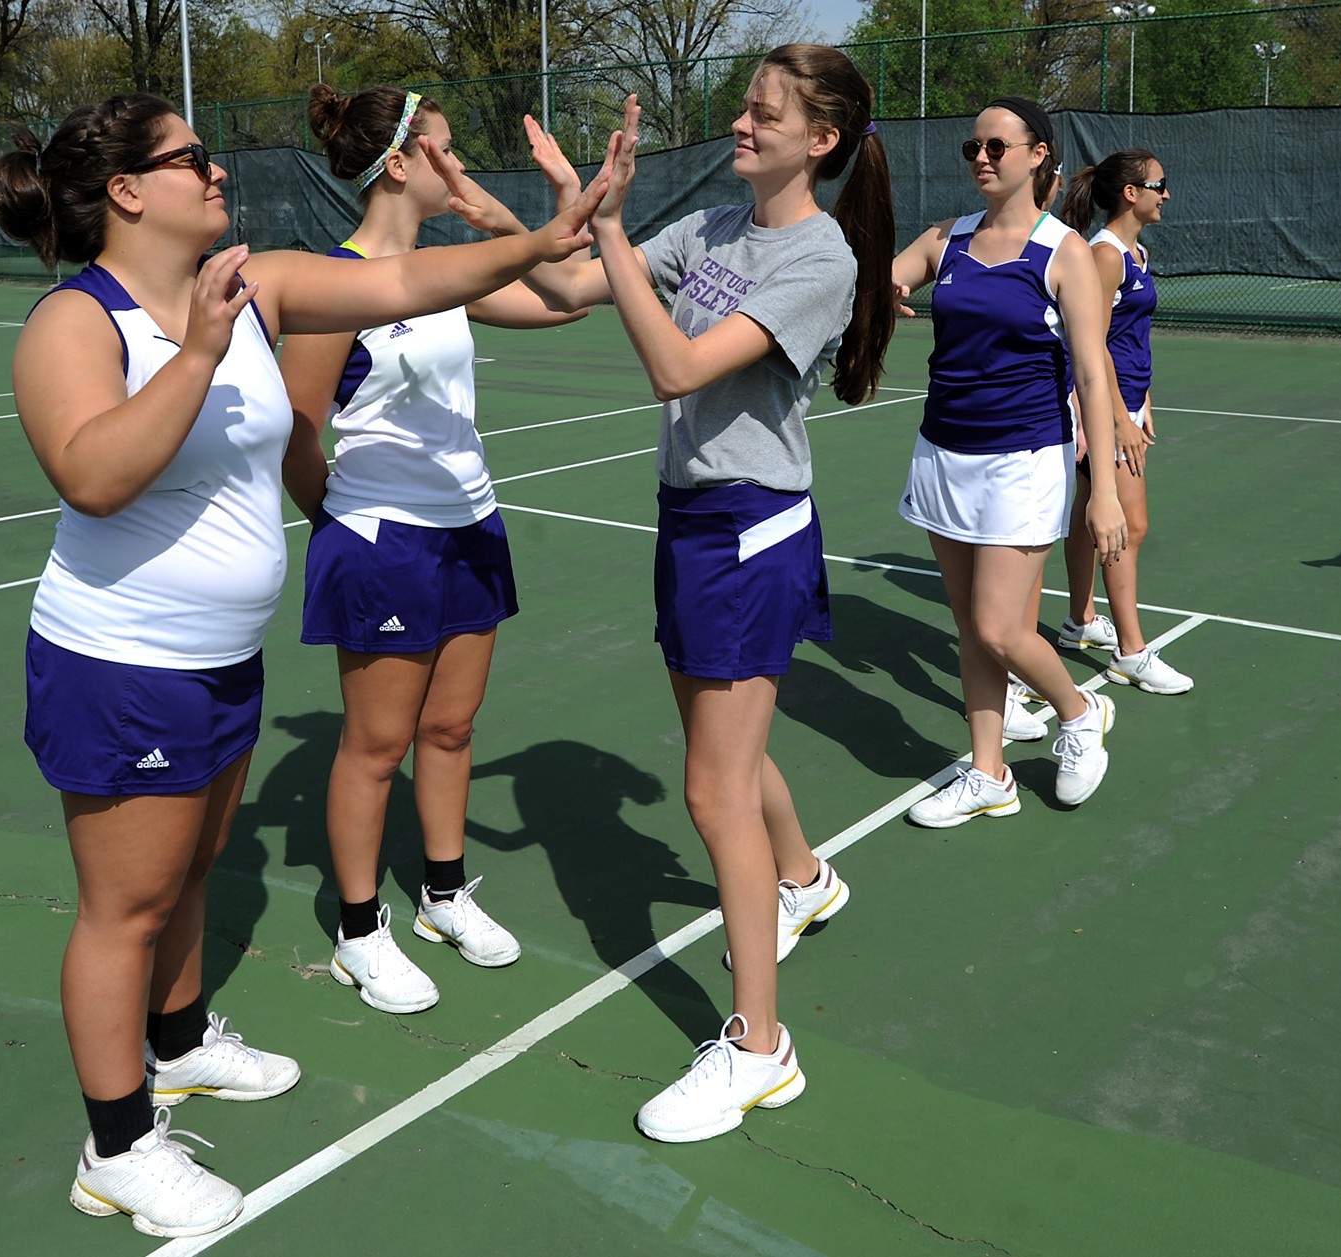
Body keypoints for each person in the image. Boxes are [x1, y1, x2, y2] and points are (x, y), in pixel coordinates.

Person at [0, 93, 603, 1236]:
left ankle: (175, 1048)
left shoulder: (257, 280)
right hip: (122, 662)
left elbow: (409, 285)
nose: (219, 171)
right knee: (124, 906)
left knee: (195, 863)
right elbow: (93, 474)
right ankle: (116, 1145)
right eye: (193, 159)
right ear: (127, 192)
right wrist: (203, 353)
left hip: (221, 657)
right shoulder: (76, 323)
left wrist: (538, 240)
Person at [426, 43, 893, 1142]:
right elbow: (574, 285)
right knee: (726, 751)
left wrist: (612, 228)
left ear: (818, 141)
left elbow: (677, 367)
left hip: (748, 530)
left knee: (711, 787)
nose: (741, 123)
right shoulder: (713, 227)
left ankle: (759, 1048)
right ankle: (805, 879)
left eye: (764, 114)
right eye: (743, 106)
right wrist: (519, 207)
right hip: (690, 518)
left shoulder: (819, 260)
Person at [280, 84, 591, 1015]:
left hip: (471, 527)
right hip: (383, 540)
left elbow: (564, 305)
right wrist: (343, 524)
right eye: (446, 152)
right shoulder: (334, 286)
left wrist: (544, 215)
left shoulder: (447, 271)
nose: (459, 168)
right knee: (376, 746)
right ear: (401, 165)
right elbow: (297, 434)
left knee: (451, 728)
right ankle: (360, 926)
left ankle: (445, 896)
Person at [891, 97, 1128, 830]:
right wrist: (886, 287)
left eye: (997, 146)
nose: (982, 157)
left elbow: (1091, 373)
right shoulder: (947, 239)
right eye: (973, 147)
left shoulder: (1065, 253)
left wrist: (1106, 496)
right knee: (970, 626)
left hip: (1025, 460)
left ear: (1038, 156)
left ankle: (1080, 709)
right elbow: (884, 279)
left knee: (1000, 627)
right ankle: (988, 773)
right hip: (942, 454)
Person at [1056, 149, 1193, 694]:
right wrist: (1115, 419)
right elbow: (1090, 345)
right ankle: (1131, 652)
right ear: (1130, 193)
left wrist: (1145, 402)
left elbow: (1130, 338)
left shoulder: (1137, 250)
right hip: (1102, 408)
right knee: (1129, 527)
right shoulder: (1105, 255)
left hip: (1126, 401)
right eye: (1159, 184)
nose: (1166, 194)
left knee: (1088, 515)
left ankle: (1080, 620)